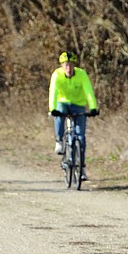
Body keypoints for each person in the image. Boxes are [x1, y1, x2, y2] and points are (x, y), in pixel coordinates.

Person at [48, 51, 99, 180]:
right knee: (59, 115)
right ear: (61, 66)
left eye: (70, 65)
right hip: (62, 102)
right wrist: (52, 108)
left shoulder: (81, 74)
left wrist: (93, 107)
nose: (68, 68)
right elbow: (53, 92)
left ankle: (81, 168)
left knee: (80, 138)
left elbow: (88, 91)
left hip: (78, 104)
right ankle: (59, 140)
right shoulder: (57, 75)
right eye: (65, 65)